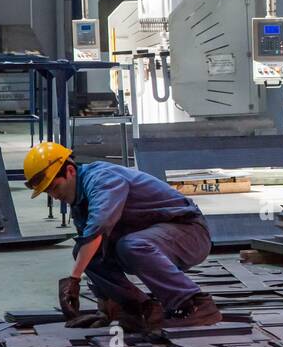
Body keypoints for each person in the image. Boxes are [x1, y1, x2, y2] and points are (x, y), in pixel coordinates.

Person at [22, 142, 222, 331]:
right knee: (84, 252)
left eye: (54, 187)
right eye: (48, 192)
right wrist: (106, 309)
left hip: (189, 232)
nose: (54, 196)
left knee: (130, 245)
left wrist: (73, 280)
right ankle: (139, 310)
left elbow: (98, 229)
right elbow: (91, 249)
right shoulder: (79, 201)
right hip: (157, 237)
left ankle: (196, 304)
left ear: (70, 171)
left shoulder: (103, 179)